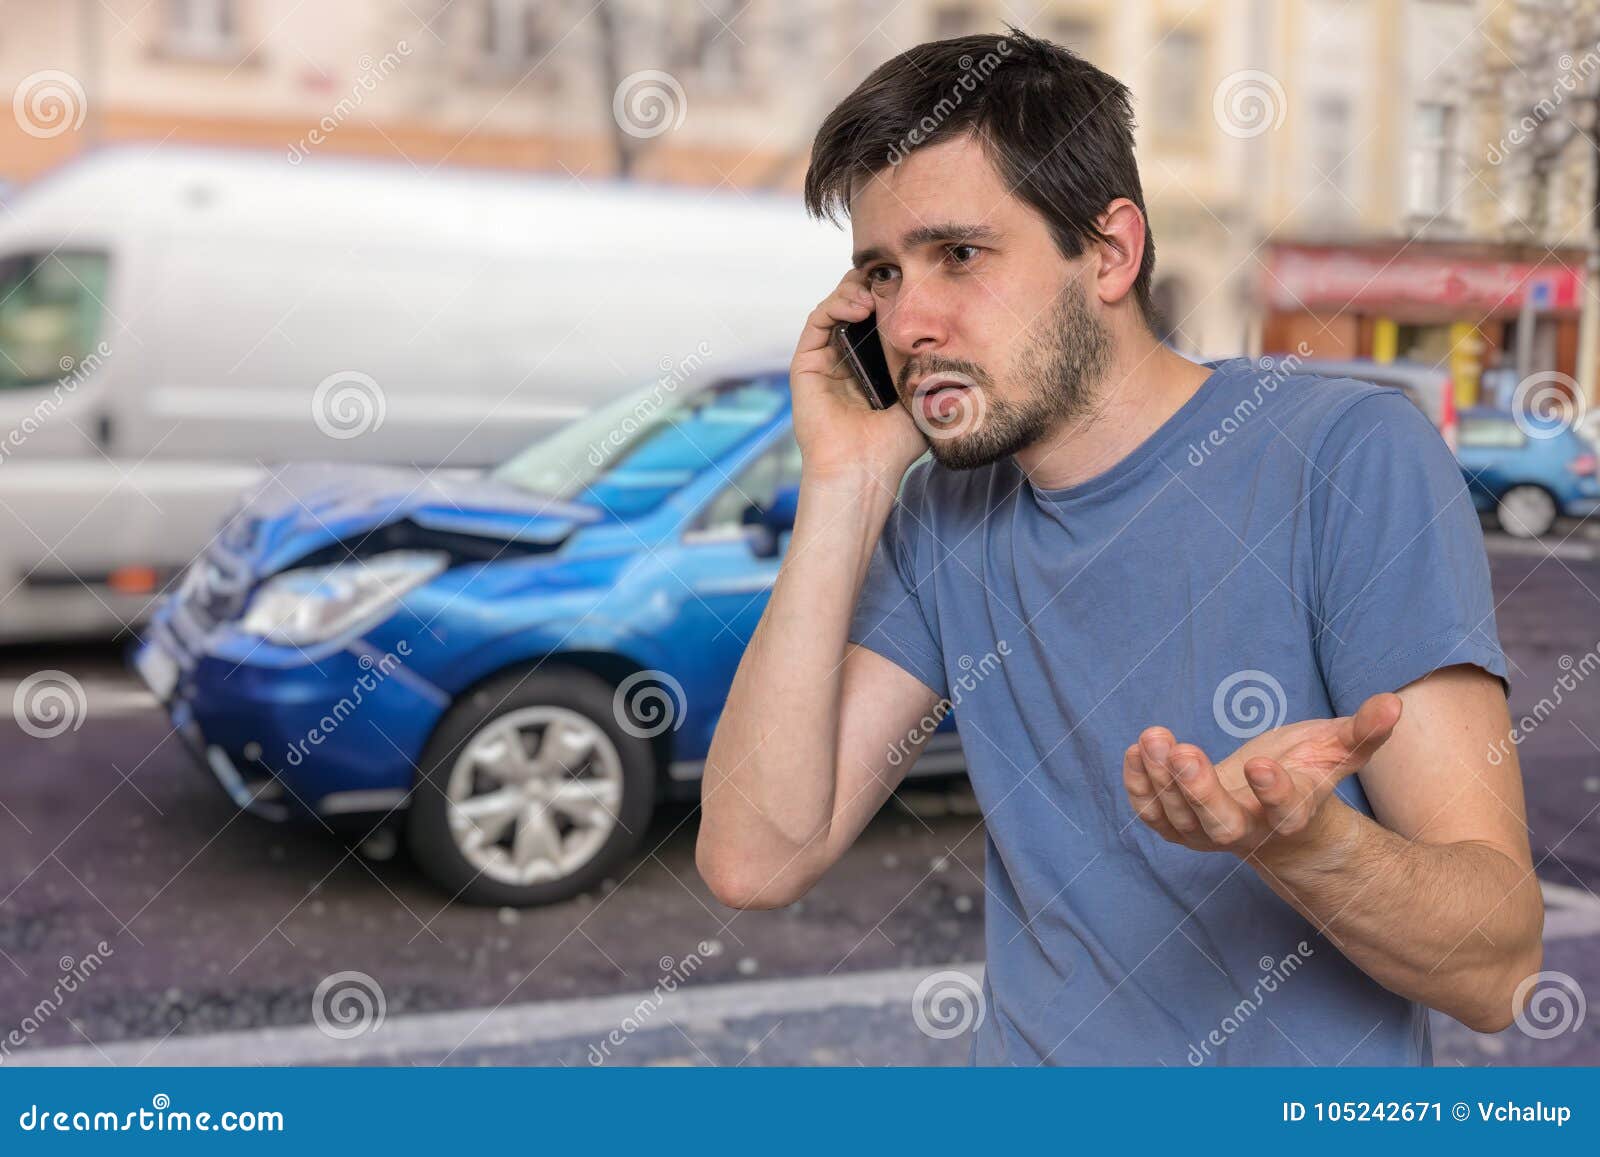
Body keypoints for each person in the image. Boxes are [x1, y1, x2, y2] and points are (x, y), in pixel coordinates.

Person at [695, 29, 1542, 1065]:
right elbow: (753, 857)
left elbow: (1496, 967)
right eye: (881, 270)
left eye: (957, 254)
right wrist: (845, 478)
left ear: (1109, 252)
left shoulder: (1346, 455)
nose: (908, 319)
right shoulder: (940, 514)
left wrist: (1306, 843)